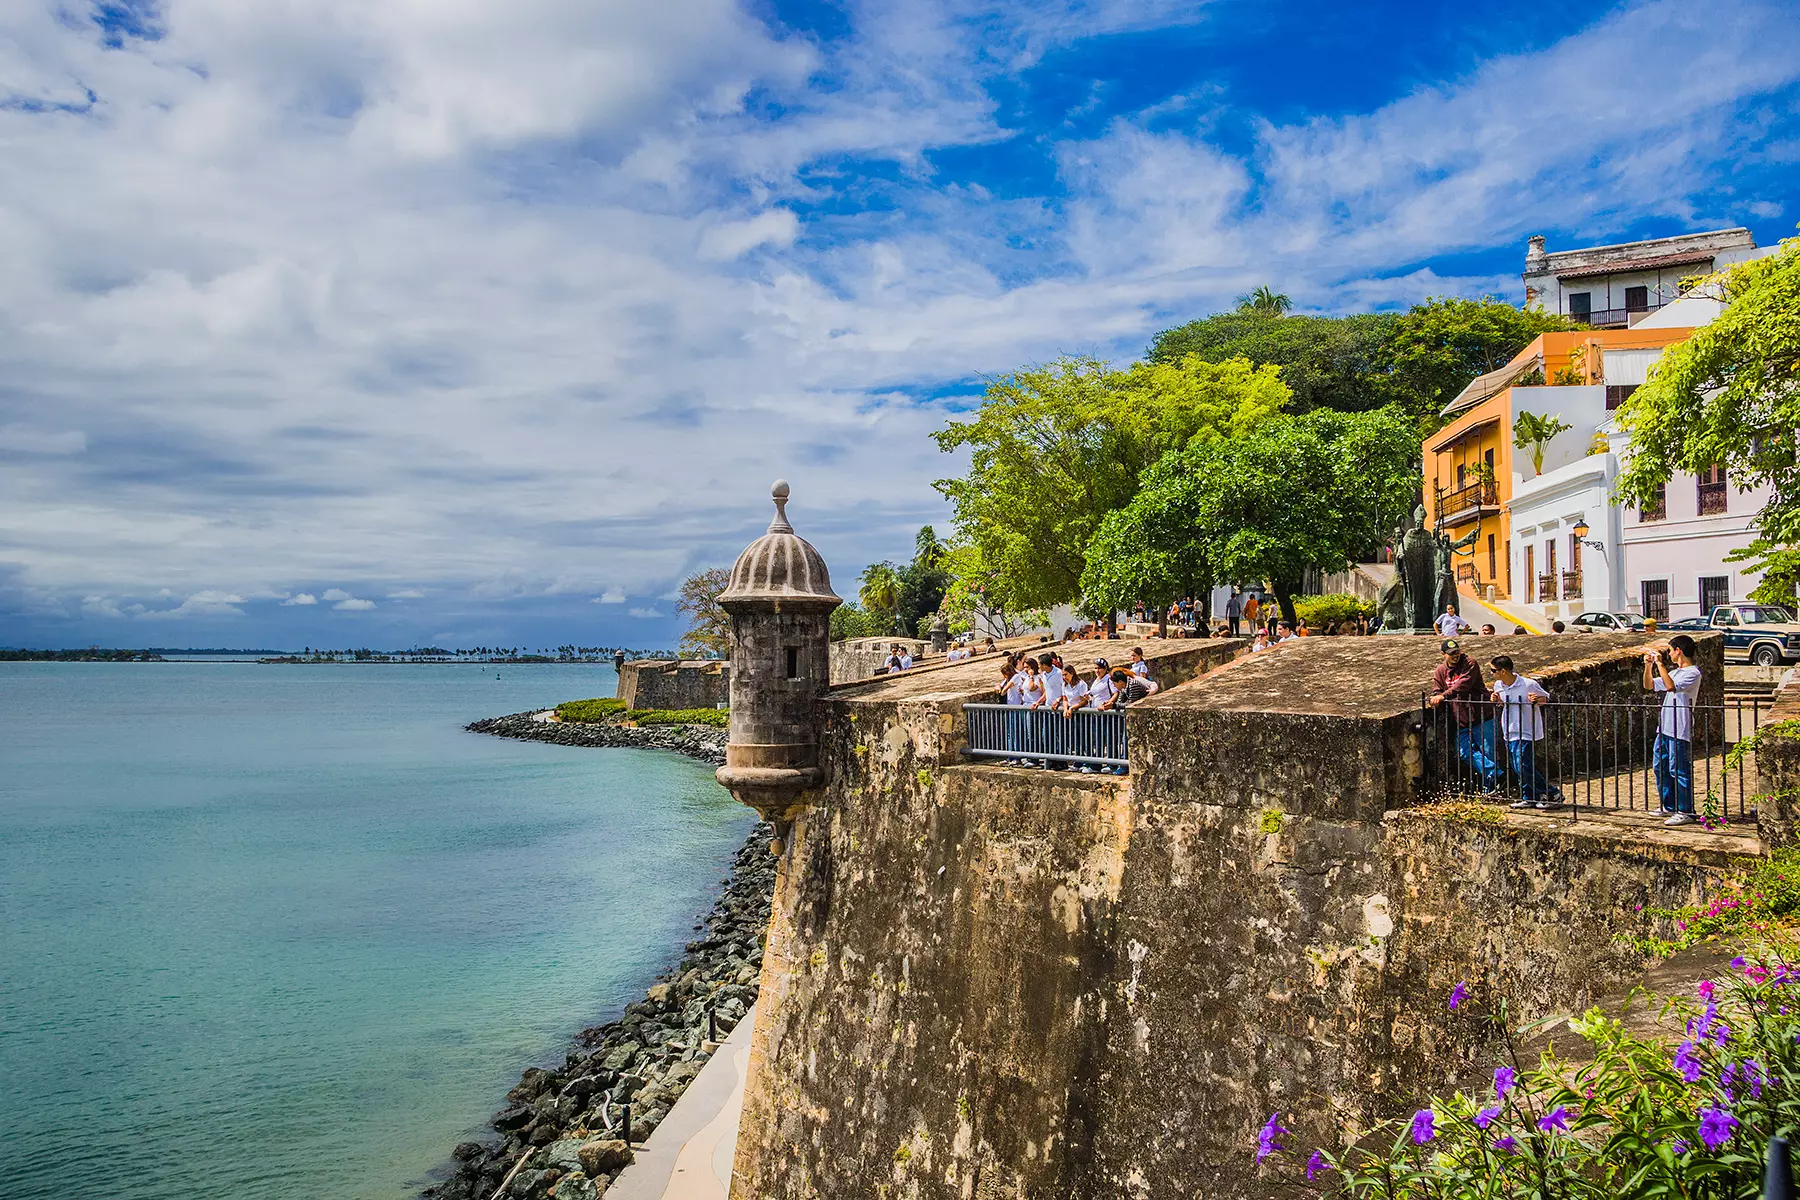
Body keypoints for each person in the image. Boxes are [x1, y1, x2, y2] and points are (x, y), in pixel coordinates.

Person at [1428, 638, 1502, 793]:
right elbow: (1437, 688)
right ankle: (1495, 773)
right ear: (1443, 654)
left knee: (1488, 752)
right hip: (1460, 718)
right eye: (1451, 654)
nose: (1455, 656)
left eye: (1457, 652)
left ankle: (1490, 788)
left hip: (1481, 715)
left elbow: (1463, 684)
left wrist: (1443, 696)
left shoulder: (1470, 663)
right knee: (1464, 752)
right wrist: (1436, 697)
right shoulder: (1440, 671)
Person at [1488, 655, 1561, 810]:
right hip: (1509, 729)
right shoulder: (1498, 685)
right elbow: (1504, 704)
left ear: (1504, 671)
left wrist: (1536, 699)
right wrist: (1496, 699)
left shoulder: (1528, 684)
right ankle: (1530, 797)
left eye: (1493, 670)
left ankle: (1552, 793)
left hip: (1526, 729)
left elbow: (1546, 699)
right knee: (1516, 765)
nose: (1491, 673)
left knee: (1523, 765)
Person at [1646, 635, 1703, 826]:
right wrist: (1649, 666)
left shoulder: (1692, 673)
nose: (1668, 654)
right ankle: (1668, 805)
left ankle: (1686, 810)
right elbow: (1650, 685)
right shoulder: (1676, 672)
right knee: (1660, 767)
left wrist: (1660, 665)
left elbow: (1670, 687)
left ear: (1678, 650)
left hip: (1680, 728)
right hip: (1665, 727)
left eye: (1670, 650)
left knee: (1678, 769)